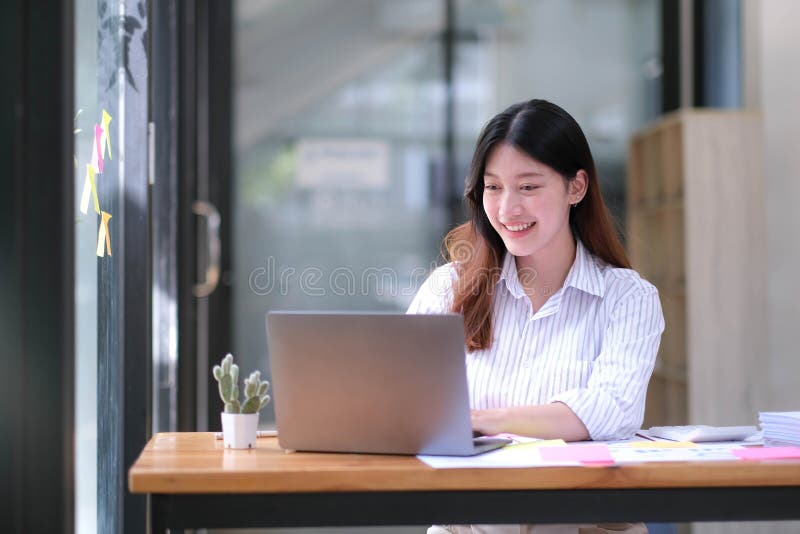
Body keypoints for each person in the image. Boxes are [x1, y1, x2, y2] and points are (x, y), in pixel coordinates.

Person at [407, 99, 664, 534]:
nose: (508, 209)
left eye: (528, 187)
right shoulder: (447, 289)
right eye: (493, 187)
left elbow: (611, 411)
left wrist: (477, 421)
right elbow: (400, 400)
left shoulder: (627, 298)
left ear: (576, 188)